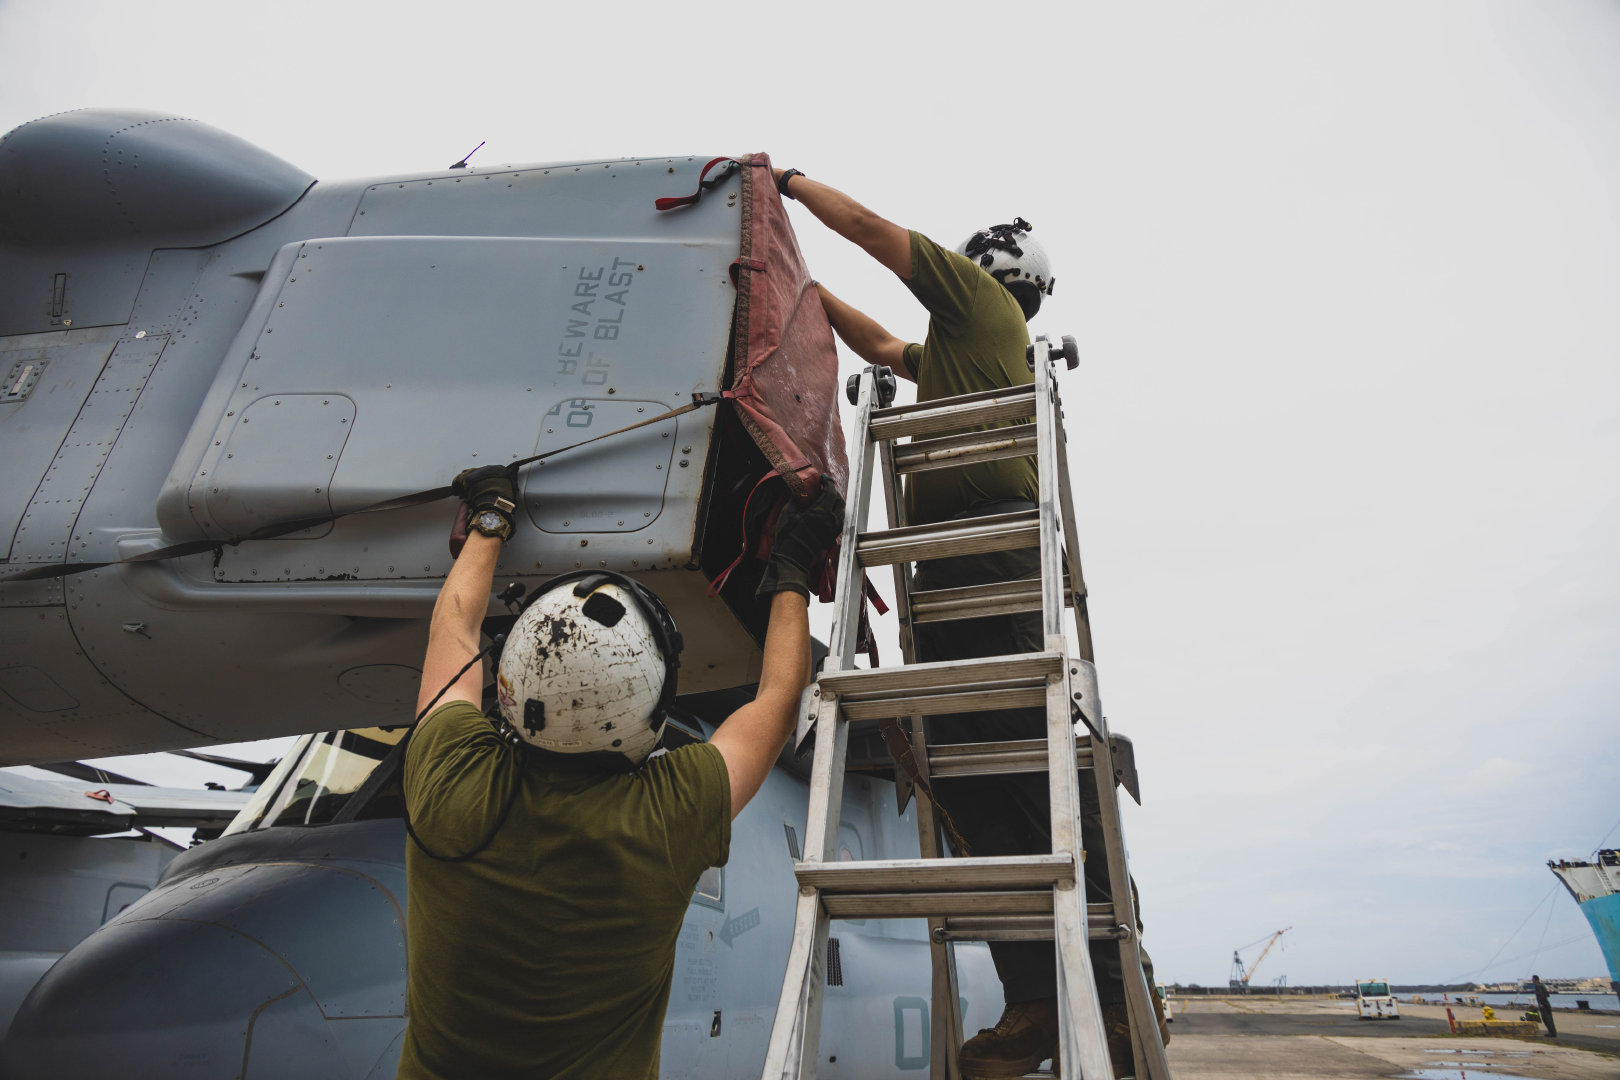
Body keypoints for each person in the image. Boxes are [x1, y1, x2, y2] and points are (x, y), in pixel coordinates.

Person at [775, 164, 1158, 1078]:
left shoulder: (978, 299)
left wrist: (784, 184)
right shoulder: (960, 356)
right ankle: (1034, 998)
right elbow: (877, 340)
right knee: (970, 784)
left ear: (989, 268)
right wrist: (797, 290)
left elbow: (869, 227)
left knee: (1028, 769)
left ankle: (1108, 986)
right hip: (949, 573)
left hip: (986, 560)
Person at [396, 464, 843, 1080]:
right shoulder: (665, 815)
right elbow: (778, 697)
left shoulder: (449, 775)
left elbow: (454, 627)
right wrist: (791, 566)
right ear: (651, 715)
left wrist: (491, 519)